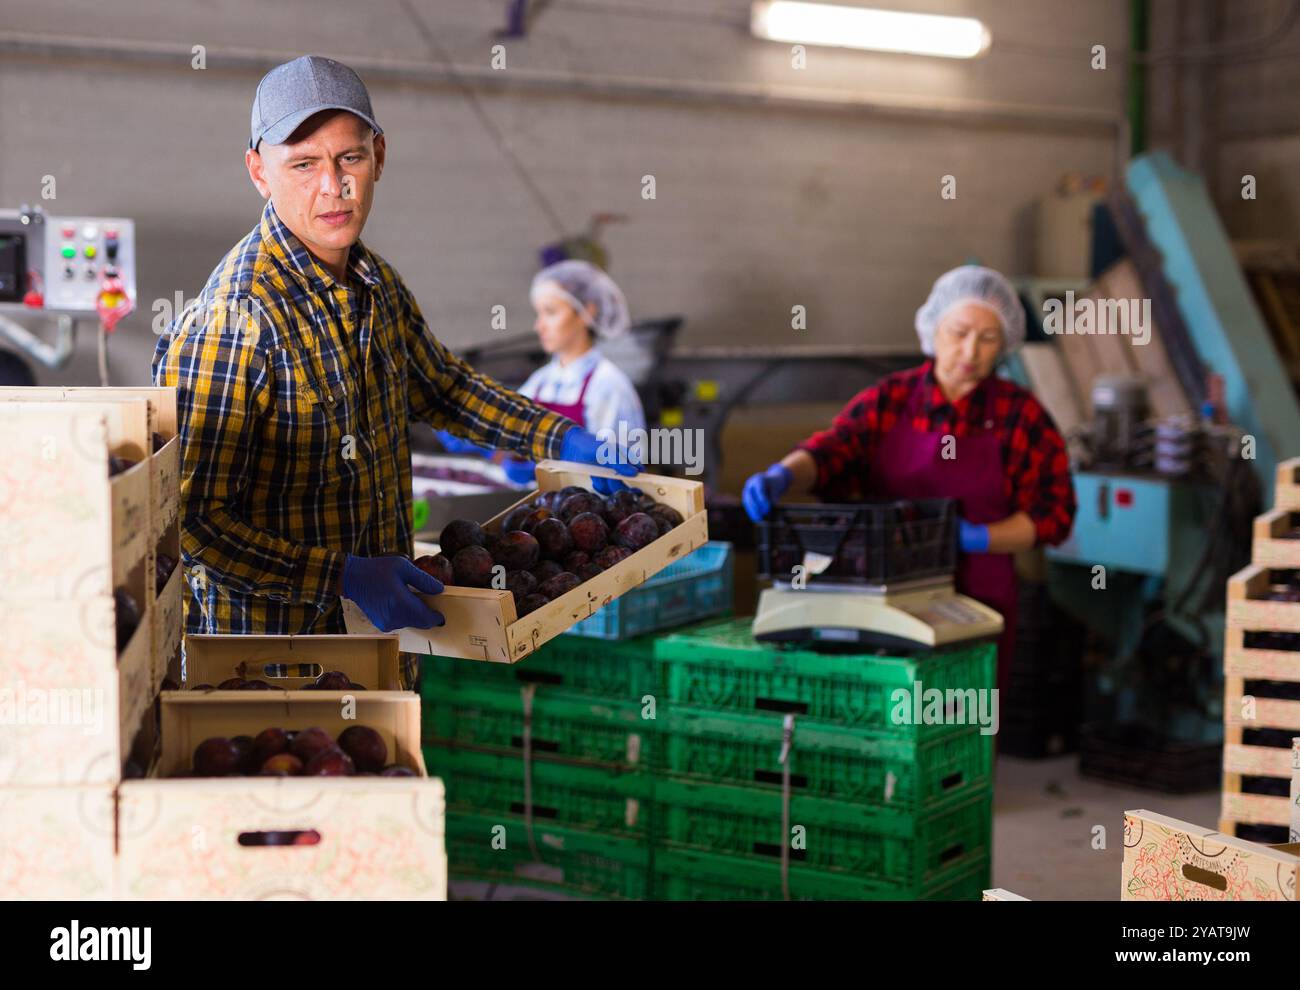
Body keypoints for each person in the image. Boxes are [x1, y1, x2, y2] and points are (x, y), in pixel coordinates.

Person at [153, 55, 637, 636]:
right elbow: (191, 523)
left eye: (349, 157)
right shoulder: (235, 320)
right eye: (303, 165)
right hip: (273, 662)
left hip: (385, 641)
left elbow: (445, 390)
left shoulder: (375, 282)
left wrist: (560, 438)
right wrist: (341, 576)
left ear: (379, 154)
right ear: (259, 171)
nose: (334, 187)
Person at [742, 265, 1076, 694]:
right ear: (933, 329)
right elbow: (833, 450)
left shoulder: (1020, 416)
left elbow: (1054, 512)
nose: (970, 350)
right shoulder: (891, 399)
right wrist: (785, 473)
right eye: (959, 332)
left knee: (962, 725)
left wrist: (978, 537)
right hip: (881, 593)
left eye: (988, 337)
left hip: (977, 599)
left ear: (1005, 343)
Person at [438, 260, 645, 483]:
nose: (539, 326)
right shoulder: (541, 380)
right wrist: (487, 444)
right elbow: (512, 431)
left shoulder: (609, 386)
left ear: (587, 311)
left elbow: (623, 472)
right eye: (538, 314)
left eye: (550, 312)